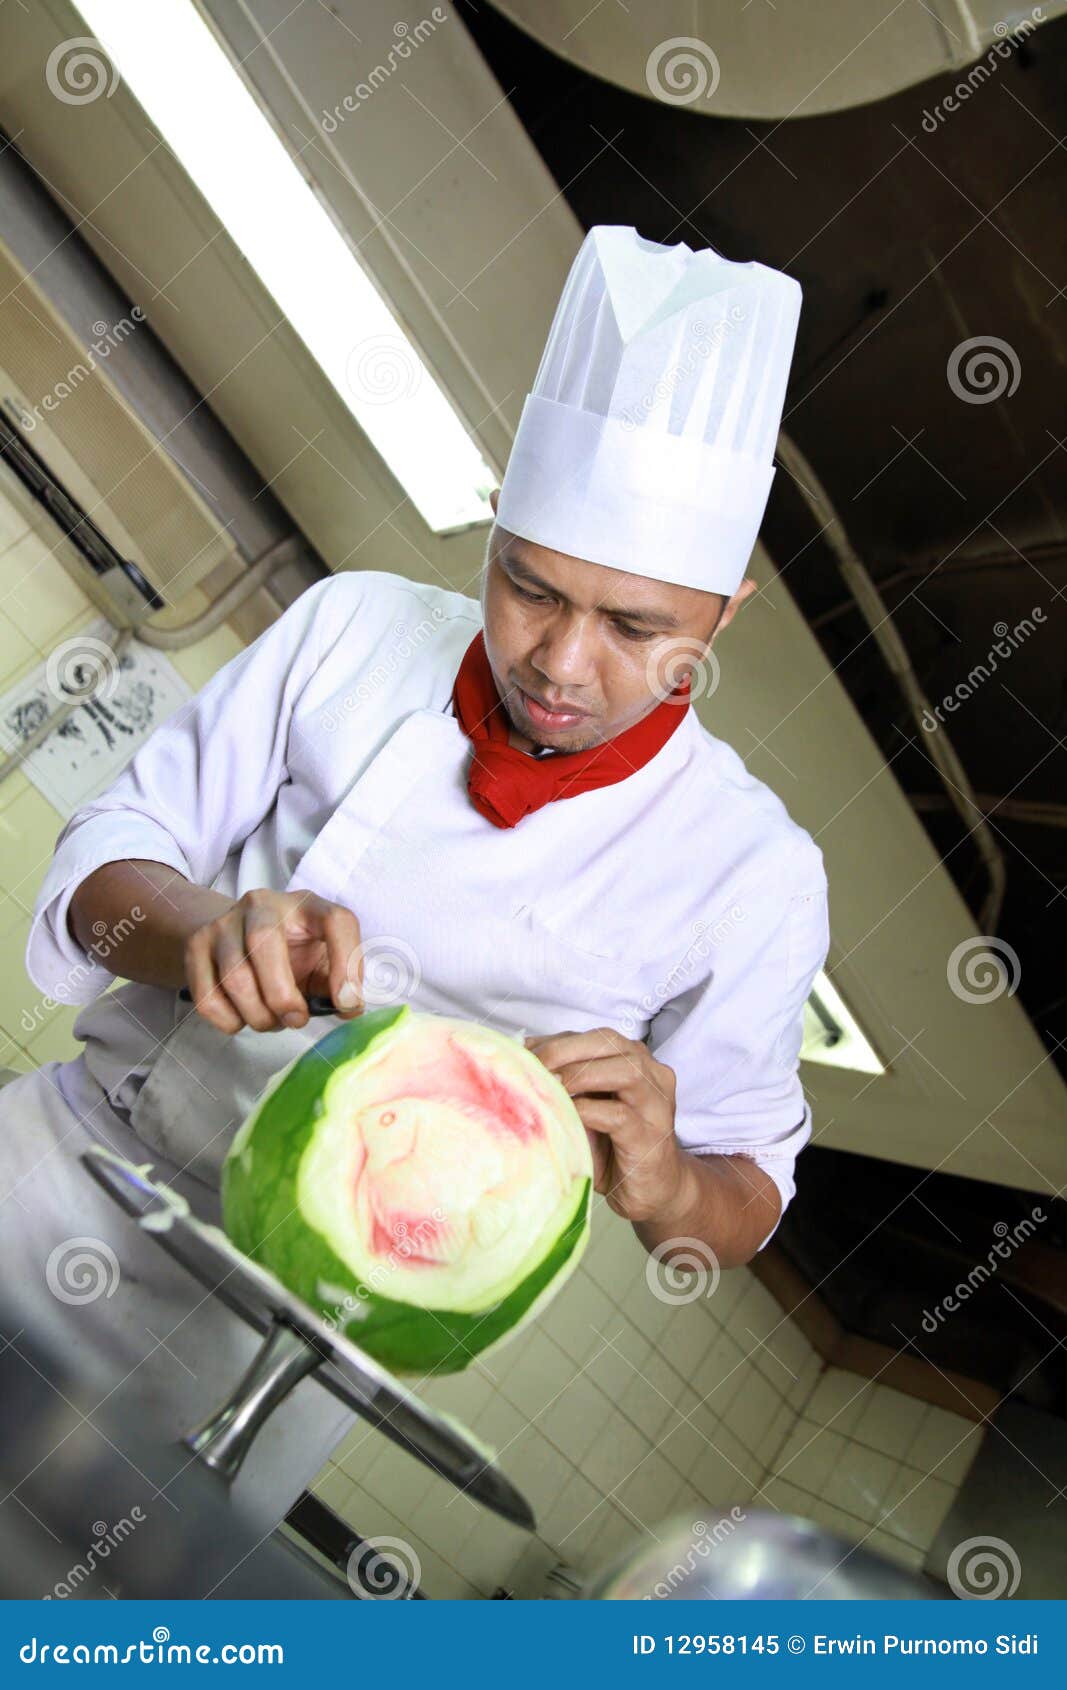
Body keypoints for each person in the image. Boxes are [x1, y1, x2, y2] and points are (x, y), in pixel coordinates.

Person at [0, 225, 829, 1532]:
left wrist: (669, 1176)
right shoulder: (356, 628)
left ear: (721, 615)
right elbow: (101, 872)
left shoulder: (754, 872)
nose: (558, 660)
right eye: (528, 586)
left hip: (285, 1355)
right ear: (493, 528)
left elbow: (739, 1204)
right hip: (68, 1170)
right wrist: (207, 930)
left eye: (632, 628)